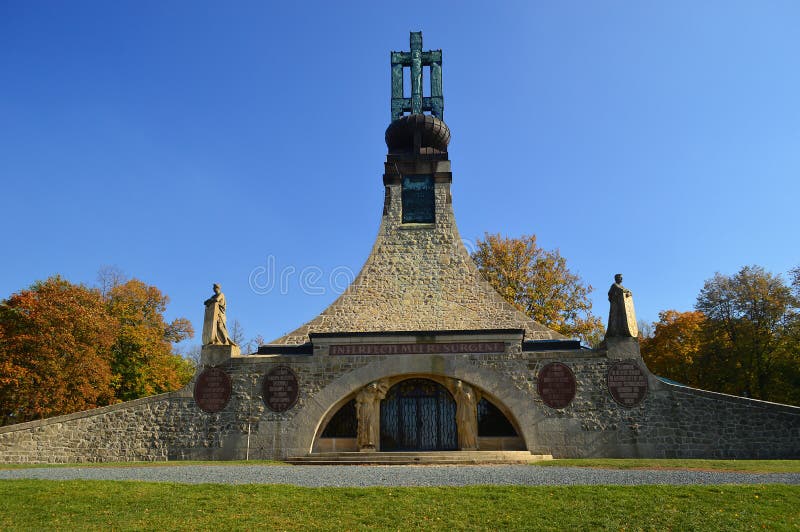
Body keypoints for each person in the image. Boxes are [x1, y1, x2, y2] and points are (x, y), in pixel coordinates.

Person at [455, 380, 478, 450]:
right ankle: (464, 445)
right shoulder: (460, 391)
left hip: (468, 413)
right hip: (462, 412)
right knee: (463, 428)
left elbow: (468, 398)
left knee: (468, 428)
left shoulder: (468, 389)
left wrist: (461, 390)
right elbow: (456, 398)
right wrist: (459, 390)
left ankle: (471, 445)